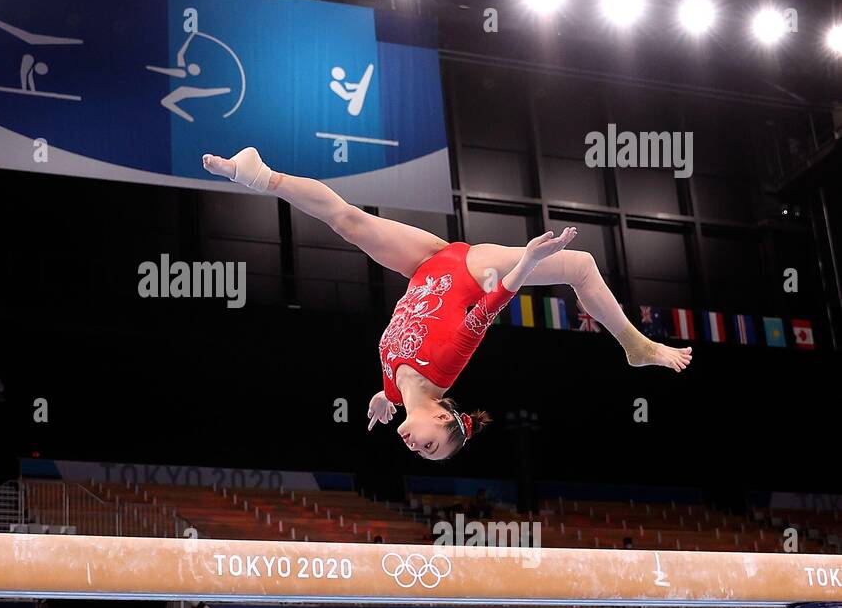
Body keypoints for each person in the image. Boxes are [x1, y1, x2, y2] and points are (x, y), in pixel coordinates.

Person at [202, 147, 692, 459]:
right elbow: (486, 311)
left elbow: (391, 391)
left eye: (422, 453)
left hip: (426, 265)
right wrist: (526, 261)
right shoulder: (444, 369)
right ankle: (635, 344)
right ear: (441, 417)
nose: (417, 447)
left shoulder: (395, 396)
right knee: (581, 265)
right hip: (470, 272)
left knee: (349, 222)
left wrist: (379, 398)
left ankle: (258, 177)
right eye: (431, 445)